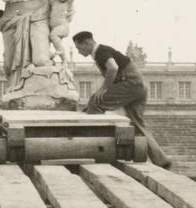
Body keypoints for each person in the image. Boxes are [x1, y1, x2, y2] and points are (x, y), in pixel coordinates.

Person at [72, 30, 172, 168]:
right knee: (137, 124)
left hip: (130, 84)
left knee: (96, 102)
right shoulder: (102, 51)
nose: (79, 51)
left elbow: (113, 67)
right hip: (138, 86)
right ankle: (161, 160)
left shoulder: (101, 51)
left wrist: (104, 88)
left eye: (79, 47)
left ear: (88, 42)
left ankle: (98, 149)